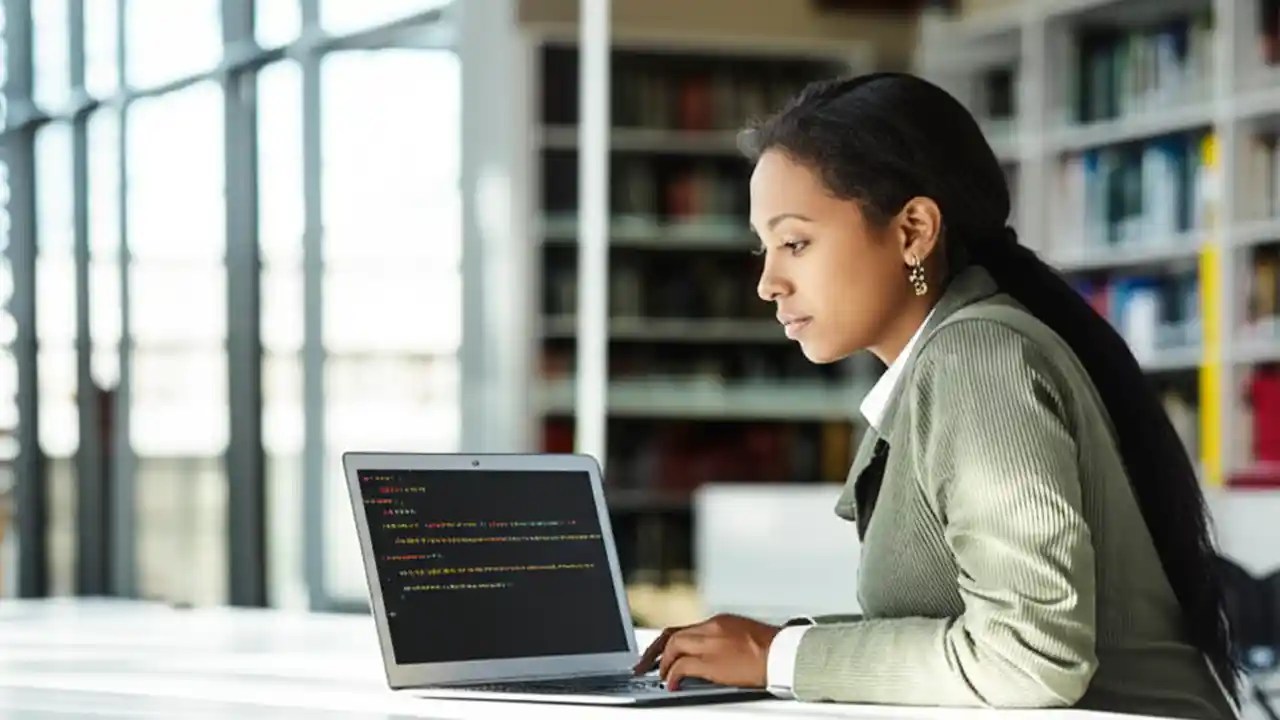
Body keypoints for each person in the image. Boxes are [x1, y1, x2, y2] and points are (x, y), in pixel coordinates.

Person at [633, 73, 1239, 720]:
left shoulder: (976, 359)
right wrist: (770, 648)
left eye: (796, 243)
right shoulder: (953, 357)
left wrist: (781, 656)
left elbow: (1028, 654)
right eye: (765, 248)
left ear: (914, 230)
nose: (768, 283)